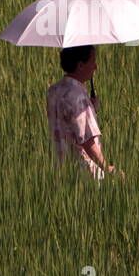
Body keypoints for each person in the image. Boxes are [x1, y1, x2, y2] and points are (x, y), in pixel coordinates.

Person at [46, 46, 124, 181]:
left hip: (60, 170)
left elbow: (67, 123)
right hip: (84, 174)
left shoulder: (53, 91)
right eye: (92, 61)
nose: (95, 67)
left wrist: (90, 109)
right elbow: (87, 140)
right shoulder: (78, 96)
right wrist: (107, 168)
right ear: (81, 65)